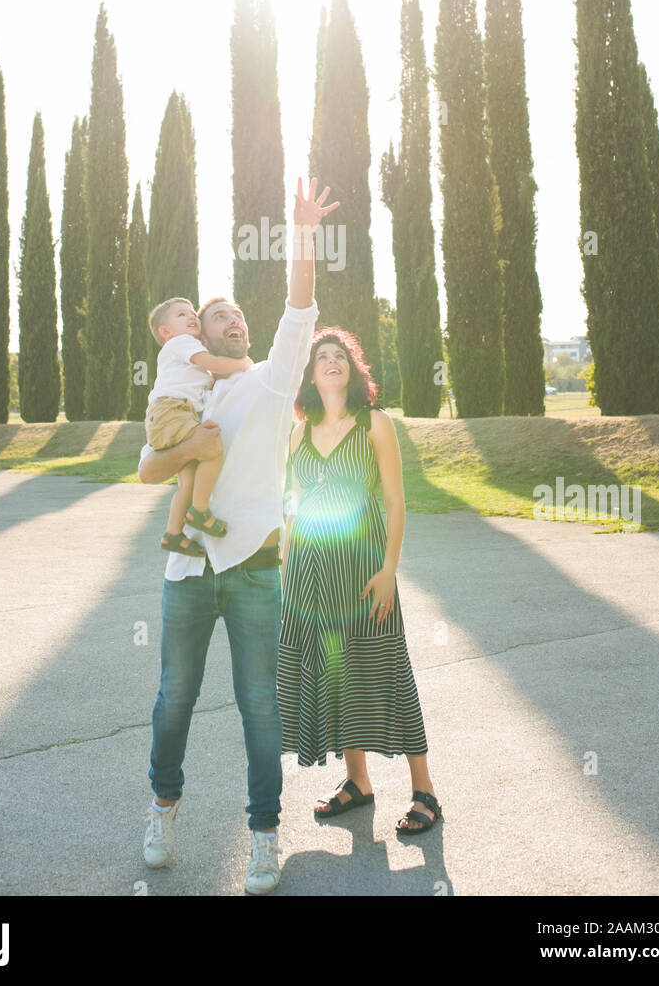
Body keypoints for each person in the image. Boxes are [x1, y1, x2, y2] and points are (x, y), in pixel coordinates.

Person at [138, 178, 339, 896]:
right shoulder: (186, 387)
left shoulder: (270, 380)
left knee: (261, 705)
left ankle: (262, 837)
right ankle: (162, 811)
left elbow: (300, 304)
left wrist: (303, 231)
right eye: (213, 313)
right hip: (187, 572)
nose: (227, 318)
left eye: (233, 313)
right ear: (195, 332)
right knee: (173, 699)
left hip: (255, 567)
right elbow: (145, 468)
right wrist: (191, 450)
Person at [278, 327, 442, 835]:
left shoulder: (374, 424)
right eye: (321, 356)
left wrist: (389, 569)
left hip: (364, 569)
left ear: (352, 370)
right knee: (334, 671)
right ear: (309, 373)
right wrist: (285, 564)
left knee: (387, 669)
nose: (331, 361)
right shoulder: (297, 431)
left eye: (340, 355)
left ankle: (425, 791)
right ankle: (358, 783)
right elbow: (294, 502)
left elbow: (395, 501)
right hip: (310, 570)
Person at [145, 296, 253, 554]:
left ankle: (173, 533)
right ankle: (200, 511)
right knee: (211, 448)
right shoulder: (181, 343)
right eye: (182, 314)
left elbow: (212, 373)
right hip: (173, 411)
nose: (191, 316)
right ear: (165, 332)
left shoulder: (186, 358)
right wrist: (244, 364)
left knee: (188, 480)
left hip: (172, 414)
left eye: (192, 312)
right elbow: (214, 364)